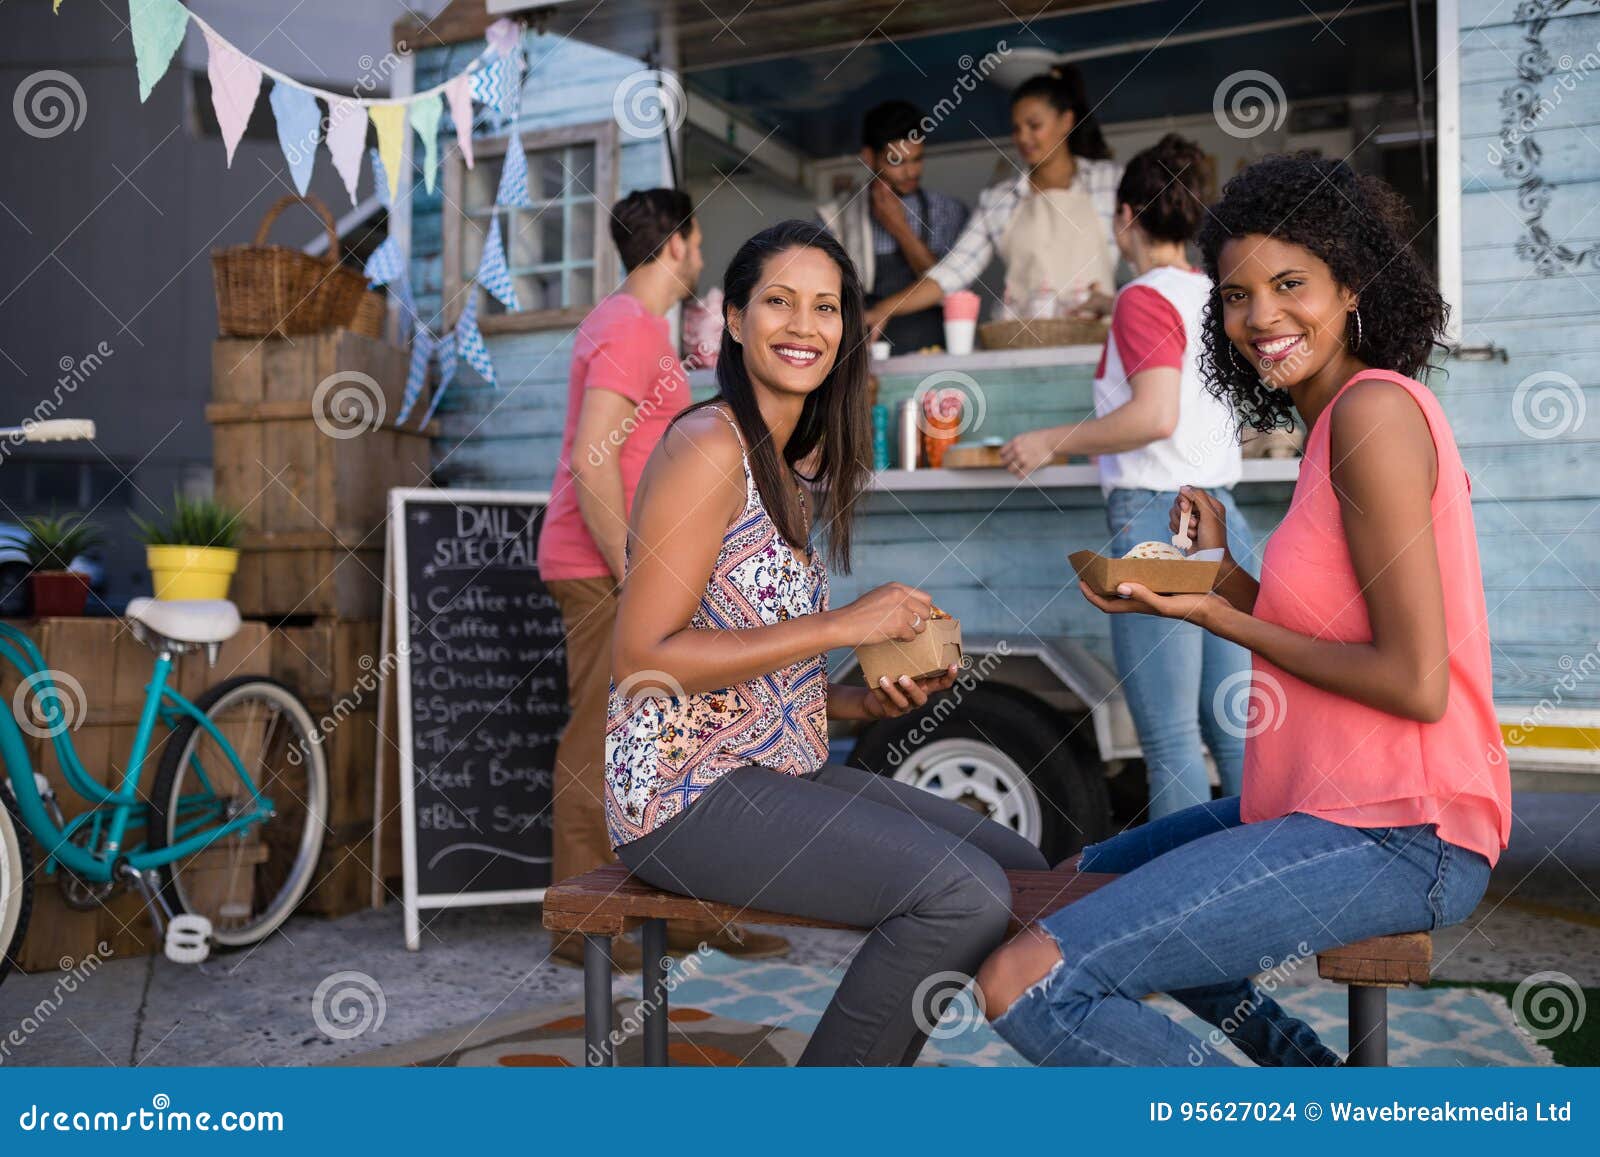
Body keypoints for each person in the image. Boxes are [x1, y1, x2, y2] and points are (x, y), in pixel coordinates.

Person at [975, 155, 1511, 1066]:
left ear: (1352, 286)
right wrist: (1221, 579)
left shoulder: (1373, 415)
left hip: (1402, 832)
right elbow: (1334, 636)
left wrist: (1220, 620)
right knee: (1075, 884)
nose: (1260, 315)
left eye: (1290, 283)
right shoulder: (1332, 424)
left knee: (1027, 980)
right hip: (1326, 809)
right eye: (1235, 294)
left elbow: (1415, 682)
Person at [604, 219, 1049, 1066]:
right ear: (733, 319)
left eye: (826, 307)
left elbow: (754, 662)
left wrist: (854, 700)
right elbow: (643, 660)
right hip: (681, 794)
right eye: (779, 302)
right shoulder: (708, 446)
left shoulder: (792, 463)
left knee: (1019, 866)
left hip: (773, 768)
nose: (804, 326)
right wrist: (845, 625)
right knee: (963, 893)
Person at [536, 188, 787, 970]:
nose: (703, 255)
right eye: (698, 241)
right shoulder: (628, 325)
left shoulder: (638, 325)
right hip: (600, 567)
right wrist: (633, 574)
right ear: (675, 243)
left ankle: (681, 915)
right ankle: (583, 924)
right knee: (598, 740)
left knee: (674, 746)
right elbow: (593, 458)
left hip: (631, 567)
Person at [999, 134, 1254, 819]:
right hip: (1222, 519)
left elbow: (1154, 415)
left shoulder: (1143, 299)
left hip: (1158, 523)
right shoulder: (1213, 296)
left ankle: (1178, 887)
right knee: (1233, 735)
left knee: (1170, 738)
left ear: (1125, 217)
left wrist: (1050, 441)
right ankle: (1252, 872)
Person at [865, 65, 1122, 336]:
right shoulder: (999, 200)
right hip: (1023, 343)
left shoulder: (1109, 183)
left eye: (1034, 126)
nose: (1023, 137)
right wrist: (883, 309)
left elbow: (1148, 251)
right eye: (1016, 128)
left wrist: (1119, 304)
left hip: (1098, 340)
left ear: (1067, 121)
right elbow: (953, 273)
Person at [817, 100, 970, 353]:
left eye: (917, 160)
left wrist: (899, 228)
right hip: (863, 357)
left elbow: (951, 286)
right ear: (869, 157)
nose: (911, 172)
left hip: (933, 355)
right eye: (897, 161)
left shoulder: (948, 211)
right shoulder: (835, 218)